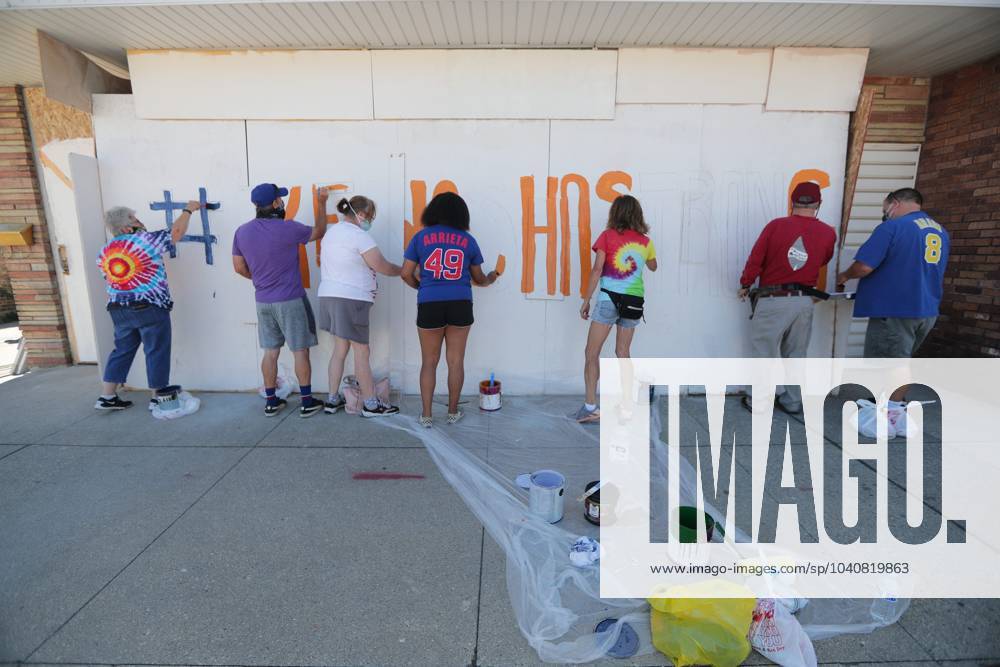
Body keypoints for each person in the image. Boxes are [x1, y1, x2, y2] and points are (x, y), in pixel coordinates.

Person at [837, 187, 948, 404]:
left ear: (895, 203)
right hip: (926, 308)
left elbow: (864, 267)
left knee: (894, 364)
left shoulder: (893, 227)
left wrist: (844, 276)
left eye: (885, 207)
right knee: (898, 361)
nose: (885, 212)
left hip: (896, 309)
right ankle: (887, 402)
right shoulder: (940, 231)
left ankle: (891, 411)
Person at [737, 181, 836, 414]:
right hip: (804, 300)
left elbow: (756, 258)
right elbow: (823, 260)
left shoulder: (776, 226)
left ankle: (759, 401)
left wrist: (745, 283)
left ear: (792, 202)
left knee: (763, 353)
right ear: (818, 204)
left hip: (773, 297)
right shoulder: (827, 232)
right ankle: (792, 402)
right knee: (796, 354)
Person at [401, 192, 498, 427]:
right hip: (460, 302)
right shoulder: (468, 240)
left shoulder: (421, 237)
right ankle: (453, 412)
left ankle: (426, 416)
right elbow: (479, 278)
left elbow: (405, 273)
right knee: (456, 361)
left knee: (429, 362)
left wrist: (422, 287)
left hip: (429, 303)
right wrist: (491, 278)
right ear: (461, 214)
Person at [233, 183, 328, 418]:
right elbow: (319, 232)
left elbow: (238, 267)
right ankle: (306, 401)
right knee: (300, 351)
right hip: (290, 299)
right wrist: (323, 203)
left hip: (263, 301)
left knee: (270, 352)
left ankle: (271, 401)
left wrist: (260, 279)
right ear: (275, 203)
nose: (282, 202)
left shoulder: (242, 231)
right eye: (280, 199)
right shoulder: (287, 228)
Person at [95, 201, 200, 411]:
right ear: (126, 227)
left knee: (122, 350)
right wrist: (189, 210)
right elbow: (176, 231)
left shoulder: (105, 250)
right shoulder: (143, 240)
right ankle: (158, 398)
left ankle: (106, 397)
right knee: (157, 350)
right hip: (149, 307)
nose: (139, 221)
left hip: (118, 309)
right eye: (134, 219)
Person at [318, 195, 402, 417]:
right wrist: (404, 271)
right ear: (362, 215)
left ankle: (332, 399)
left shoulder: (331, 233)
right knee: (361, 351)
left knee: (340, 349)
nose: (370, 222)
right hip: (351, 299)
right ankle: (371, 404)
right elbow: (381, 265)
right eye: (370, 217)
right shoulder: (359, 236)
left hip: (329, 296)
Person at [576, 194, 657, 423]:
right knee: (623, 353)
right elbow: (653, 266)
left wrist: (586, 299)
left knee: (591, 353)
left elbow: (597, 270)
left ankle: (591, 408)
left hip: (609, 300)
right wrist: (643, 256)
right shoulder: (646, 242)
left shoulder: (607, 236)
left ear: (615, 213)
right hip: (634, 302)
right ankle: (627, 408)